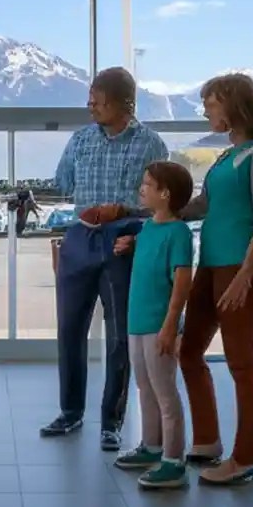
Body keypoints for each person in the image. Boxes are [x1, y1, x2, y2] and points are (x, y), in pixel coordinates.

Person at [40, 67, 169, 451]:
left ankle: (111, 422)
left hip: (124, 240)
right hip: (79, 237)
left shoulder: (151, 144)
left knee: (118, 338)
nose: (91, 106)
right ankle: (70, 412)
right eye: (90, 99)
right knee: (69, 330)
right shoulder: (80, 140)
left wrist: (124, 211)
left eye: (99, 100)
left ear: (125, 103)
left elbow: (159, 203)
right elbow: (62, 184)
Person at [176, 73, 253, 485]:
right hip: (210, 266)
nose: (205, 109)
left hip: (240, 271)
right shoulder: (225, 157)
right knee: (189, 351)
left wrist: (245, 277)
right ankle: (207, 442)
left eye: (211, 102)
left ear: (234, 105)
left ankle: (246, 457)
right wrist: (154, 211)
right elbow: (202, 205)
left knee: (242, 363)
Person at [112, 161, 195, 489]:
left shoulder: (179, 233)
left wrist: (170, 325)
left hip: (160, 325)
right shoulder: (148, 228)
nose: (141, 189)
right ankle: (151, 445)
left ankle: (174, 459)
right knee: (144, 387)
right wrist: (130, 244)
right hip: (137, 322)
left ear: (166, 193)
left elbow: (182, 281)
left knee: (164, 391)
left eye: (148, 184)